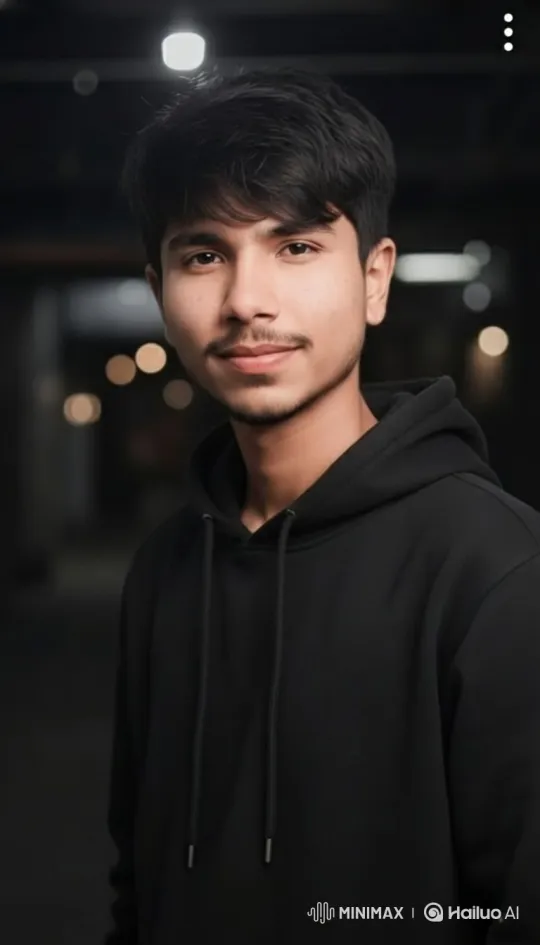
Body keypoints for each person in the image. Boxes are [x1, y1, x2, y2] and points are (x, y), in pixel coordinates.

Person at [105, 66, 540, 944]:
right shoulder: (165, 566)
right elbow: (137, 887)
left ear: (375, 278)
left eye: (296, 246)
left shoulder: (495, 569)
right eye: (203, 255)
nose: (246, 302)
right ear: (158, 292)